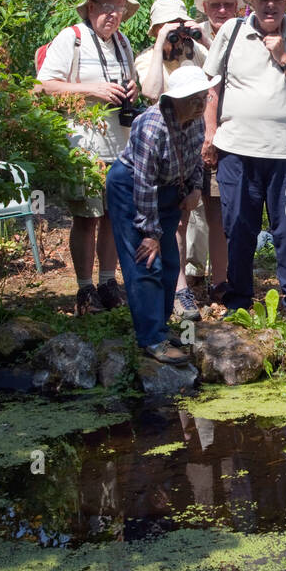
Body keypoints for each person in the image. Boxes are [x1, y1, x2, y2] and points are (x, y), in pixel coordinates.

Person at [201, 0, 286, 330]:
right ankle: (238, 302)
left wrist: (284, 57)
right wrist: (209, 134)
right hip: (236, 151)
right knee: (238, 227)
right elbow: (212, 87)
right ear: (251, 2)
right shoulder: (232, 31)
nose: (270, 5)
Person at [38, 0, 140, 316]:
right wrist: (90, 90)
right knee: (86, 217)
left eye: (119, 8)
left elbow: (131, 82)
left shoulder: (123, 42)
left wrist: (132, 91)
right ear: (92, 7)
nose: (113, 14)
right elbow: (44, 86)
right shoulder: (72, 38)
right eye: (106, 6)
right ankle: (84, 289)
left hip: (119, 145)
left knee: (113, 216)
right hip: (84, 144)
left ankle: (108, 282)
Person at [105, 65, 220, 365]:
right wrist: (149, 233)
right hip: (132, 189)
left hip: (171, 186)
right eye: (193, 98)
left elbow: (196, 157)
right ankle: (151, 339)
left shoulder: (195, 121)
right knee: (147, 260)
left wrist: (196, 187)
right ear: (175, 99)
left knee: (170, 261)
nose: (199, 104)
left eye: (203, 97)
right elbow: (143, 181)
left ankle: (161, 325)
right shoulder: (151, 125)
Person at [135, 0, 210, 322]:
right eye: (170, 30)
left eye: (180, 27)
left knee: (186, 221)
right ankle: (175, 288)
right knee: (166, 227)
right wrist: (160, 44)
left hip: (190, 152)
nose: (177, 39)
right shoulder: (147, 59)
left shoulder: (196, 54)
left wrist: (199, 37)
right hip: (159, 155)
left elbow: (217, 72)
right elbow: (151, 91)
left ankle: (181, 286)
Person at [193, 0, 244, 300]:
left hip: (232, 132)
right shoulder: (190, 35)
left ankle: (222, 280)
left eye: (228, 4)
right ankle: (187, 278)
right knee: (186, 210)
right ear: (205, 8)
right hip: (192, 132)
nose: (222, 10)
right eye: (215, 5)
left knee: (222, 212)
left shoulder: (247, 34)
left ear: (238, 7)